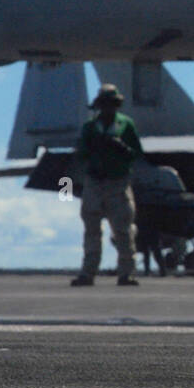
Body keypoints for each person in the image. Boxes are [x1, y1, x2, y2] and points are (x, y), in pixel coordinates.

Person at [70, 84, 145, 287]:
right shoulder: (90, 127)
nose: (108, 109)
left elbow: (137, 153)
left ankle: (126, 273)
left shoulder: (126, 125)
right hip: (95, 182)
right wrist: (95, 146)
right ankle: (88, 273)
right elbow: (81, 154)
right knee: (91, 228)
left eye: (112, 104)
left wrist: (122, 148)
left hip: (118, 183)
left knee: (123, 230)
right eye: (105, 104)